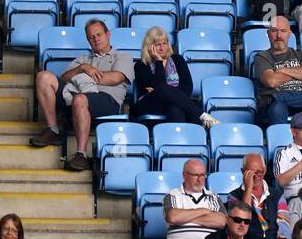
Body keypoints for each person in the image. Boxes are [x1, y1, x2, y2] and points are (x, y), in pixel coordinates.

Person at [28, 19, 133, 172]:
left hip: (107, 100)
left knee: (80, 99)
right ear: (88, 40)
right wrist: (83, 68)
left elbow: (115, 79)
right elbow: (63, 78)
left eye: (99, 34)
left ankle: (81, 154)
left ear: (108, 34)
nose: (96, 39)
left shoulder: (122, 56)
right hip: (76, 94)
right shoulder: (83, 60)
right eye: (92, 37)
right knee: (43, 76)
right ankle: (52, 129)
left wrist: (89, 75)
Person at [252, 16, 302, 127]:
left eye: (283, 31)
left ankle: (276, 97)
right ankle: (280, 143)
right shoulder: (262, 57)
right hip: (279, 105)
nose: (279, 36)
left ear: (290, 33)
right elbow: (271, 81)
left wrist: (282, 70)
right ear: (268, 33)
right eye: (274, 31)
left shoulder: (301, 55)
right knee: (276, 109)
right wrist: (299, 74)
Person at [131, 26, 197, 124]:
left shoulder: (178, 60)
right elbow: (159, 85)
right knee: (162, 89)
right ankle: (200, 114)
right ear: (149, 46)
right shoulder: (141, 65)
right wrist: (158, 61)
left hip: (175, 104)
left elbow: (187, 88)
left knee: (175, 108)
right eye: (158, 45)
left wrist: (162, 92)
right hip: (150, 105)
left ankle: (176, 138)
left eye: (164, 43)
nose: (162, 48)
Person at [226, 153, 288, 239]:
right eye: (250, 172)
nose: (255, 176)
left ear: (264, 171)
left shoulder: (278, 195)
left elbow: (284, 232)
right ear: (242, 172)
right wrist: (248, 189)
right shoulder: (233, 196)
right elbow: (242, 220)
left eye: (259, 172)